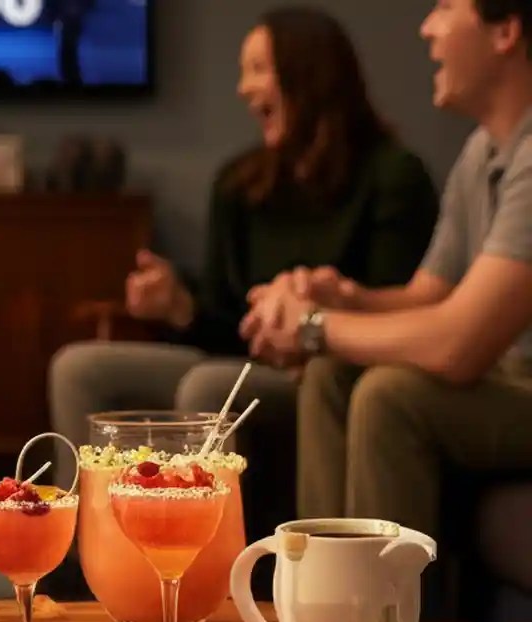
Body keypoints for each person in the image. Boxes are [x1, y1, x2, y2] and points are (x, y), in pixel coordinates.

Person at [49, 5, 437, 456]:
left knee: (209, 388)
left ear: (308, 76)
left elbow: (402, 312)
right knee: (78, 367)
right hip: (244, 364)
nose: (243, 88)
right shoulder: (239, 184)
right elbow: (226, 322)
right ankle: (83, 527)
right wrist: (180, 304)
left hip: (330, 372)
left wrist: (314, 317)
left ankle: (216, 528)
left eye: (257, 69)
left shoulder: (394, 176)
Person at [243, 0, 532, 546]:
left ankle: (386, 621)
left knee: (389, 396)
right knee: (331, 373)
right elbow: (428, 297)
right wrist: (342, 295)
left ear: (506, 32)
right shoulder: (483, 152)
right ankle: (322, 602)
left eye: (445, 7)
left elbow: (459, 343)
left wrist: (312, 325)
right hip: (505, 378)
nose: (426, 28)